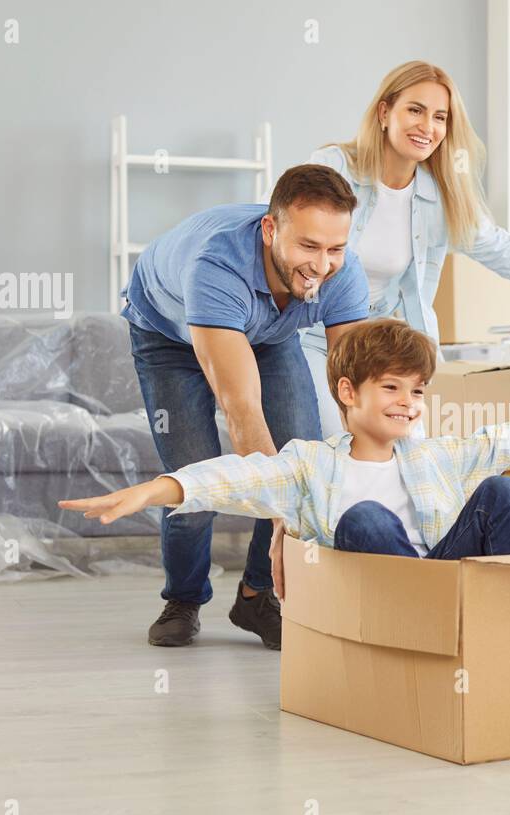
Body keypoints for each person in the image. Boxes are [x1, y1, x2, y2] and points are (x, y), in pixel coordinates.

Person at [60, 319, 510, 634]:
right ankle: (440, 629)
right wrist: (157, 488)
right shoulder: (310, 463)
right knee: (365, 518)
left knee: (506, 489)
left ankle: (506, 624)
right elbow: (235, 478)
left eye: (417, 390)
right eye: (391, 388)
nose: (408, 402)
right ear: (348, 392)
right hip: (385, 602)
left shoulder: (433, 456)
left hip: (442, 580)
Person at [300, 60, 510, 437]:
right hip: (313, 336)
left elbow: (503, 250)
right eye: (416, 110)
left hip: (379, 349)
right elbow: (276, 228)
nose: (428, 127)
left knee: (411, 452)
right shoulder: (334, 168)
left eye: (441, 117)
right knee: (335, 443)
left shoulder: (438, 197)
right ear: (385, 112)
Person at [120, 164, 369, 648]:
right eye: (308, 247)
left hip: (268, 335)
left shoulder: (343, 272)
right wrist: (286, 518)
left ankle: (257, 597)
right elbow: (242, 412)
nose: (321, 266)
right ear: (270, 230)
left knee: (303, 452)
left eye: (335, 248)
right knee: (198, 477)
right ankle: (184, 599)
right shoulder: (216, 267)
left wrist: (363, 472)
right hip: (168, 339)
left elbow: (354, 386)